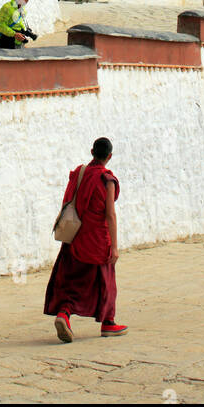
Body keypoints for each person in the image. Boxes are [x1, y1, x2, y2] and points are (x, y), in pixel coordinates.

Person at [45, 137, 126, 341]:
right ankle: (108, 322)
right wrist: (114, 247)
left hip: (74, 239)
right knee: (105, 282)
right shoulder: (106, 180)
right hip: (97, 240)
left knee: (73, 283)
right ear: (109, 156)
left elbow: (68, 201)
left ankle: (64, 313)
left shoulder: (79, 174)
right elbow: (110, 215)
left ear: (92, 152)